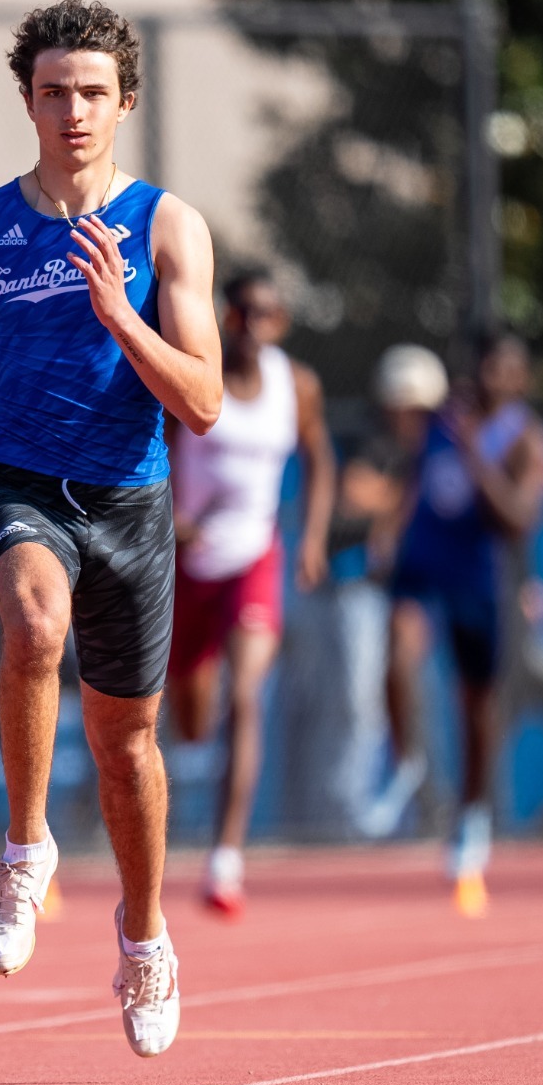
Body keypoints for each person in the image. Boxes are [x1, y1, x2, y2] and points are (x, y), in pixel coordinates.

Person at [0, 0, 222, 1057]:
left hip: (130, 499)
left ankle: (142, 936)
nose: (72, 110)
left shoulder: (166, 226)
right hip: (21, 482)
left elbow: (204, 401)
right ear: (27, 101)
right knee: (32, 626)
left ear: (123, 101)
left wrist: (119, 314)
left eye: (91, 92)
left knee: (125, 741)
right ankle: (24, 848)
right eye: (53, 91)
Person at [164, 269, 334, 916]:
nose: (257, 326)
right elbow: (156, 444)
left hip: (253, 558)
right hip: (187, 562)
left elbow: (319, 455)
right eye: (245, 313)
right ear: (226, 317)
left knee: (245, 696)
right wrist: (168, 517)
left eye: (270, 315)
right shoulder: (194, 370)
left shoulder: (297, 385)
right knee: (193, 719)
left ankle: (225, 858)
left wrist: (313, 537)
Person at [376, 331, 543, 883]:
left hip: (481, 575)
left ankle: (472, 813)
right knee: (398, 654)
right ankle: (407, 766)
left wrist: (477, 455)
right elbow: (413, 471)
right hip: (426, 563)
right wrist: (391, 529)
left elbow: (519, 517)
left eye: (506, 369)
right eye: (486, 366)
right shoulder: (444, 418)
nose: (493, 378)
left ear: (522, 377)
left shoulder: (526, 439)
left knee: (476, 703)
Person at [301, 344, 446, 842]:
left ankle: (414, 805)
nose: (418, 419)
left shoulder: (420, 453)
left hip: (392, 597)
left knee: (398, 702)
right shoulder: (376, 444)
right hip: (349, 593)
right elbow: (353, 495)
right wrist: (404, 501)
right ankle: (347, 813)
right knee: (354, 705)